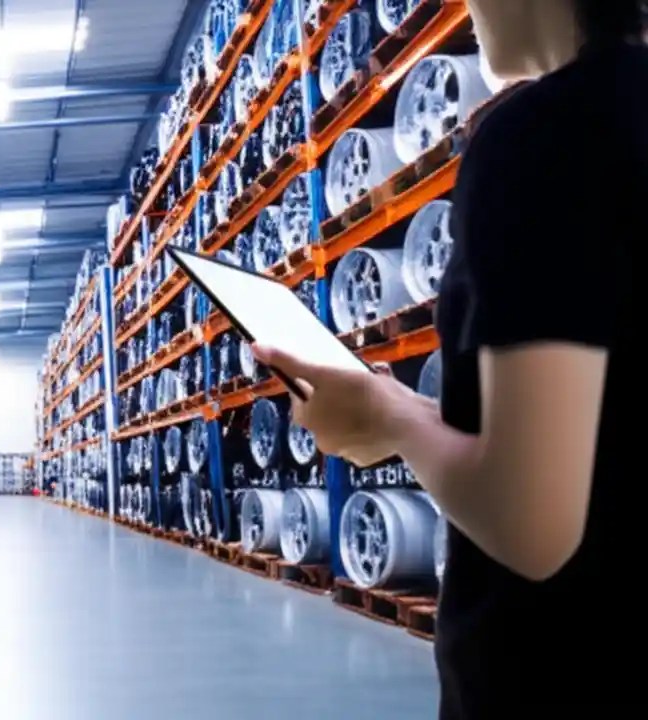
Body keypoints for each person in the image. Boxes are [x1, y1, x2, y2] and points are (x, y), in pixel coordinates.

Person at [252, 1, 639, 716]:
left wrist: (390, 422)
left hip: (563, 676)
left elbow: (531, 521)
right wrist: (414, 408)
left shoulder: (541, 137)